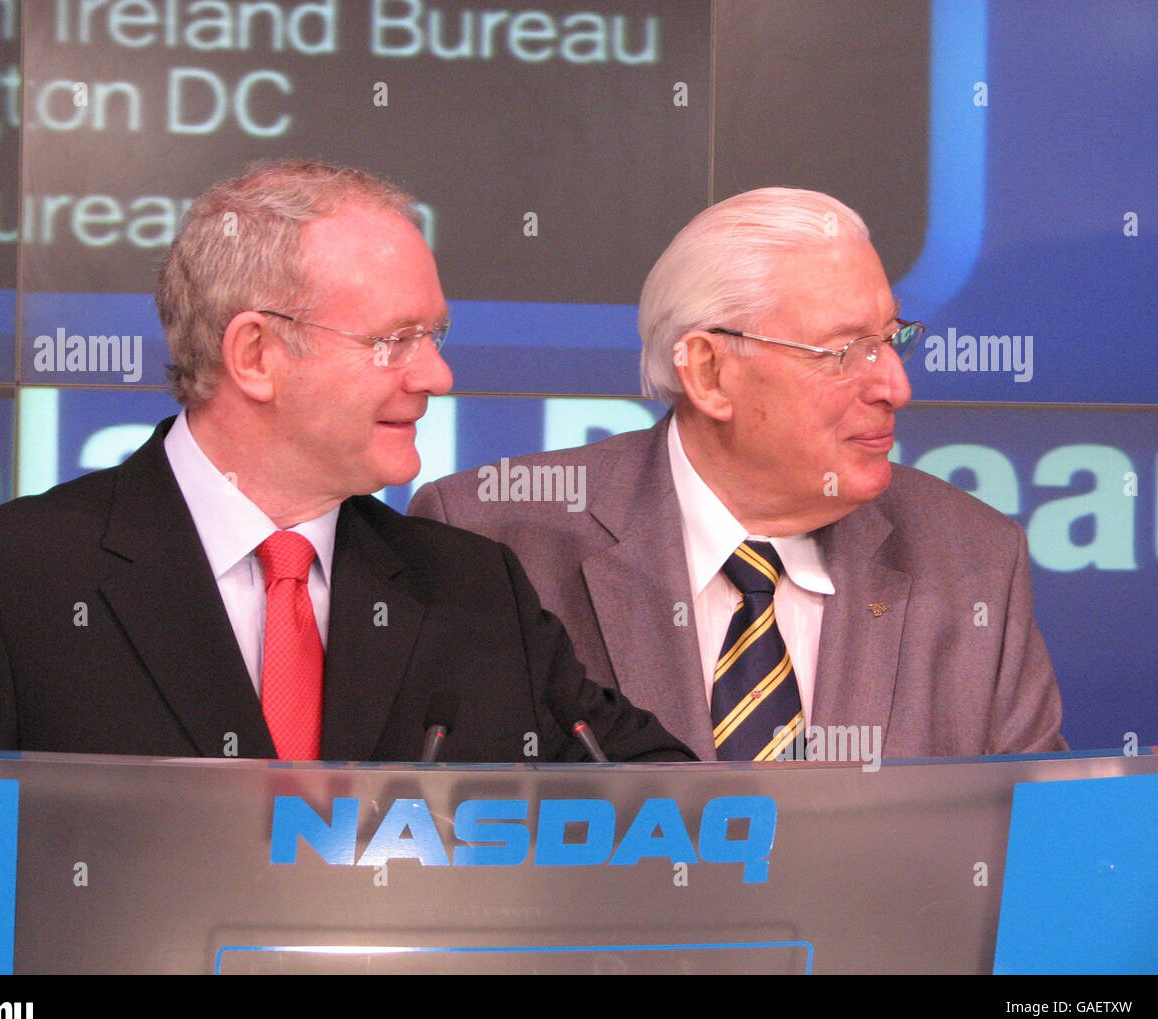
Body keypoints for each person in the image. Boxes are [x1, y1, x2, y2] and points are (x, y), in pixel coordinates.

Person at [0, 161, 691, 764]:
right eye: (392, 340)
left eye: (432, 336)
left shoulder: (476, 590)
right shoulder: (4, 585)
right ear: (257, 354)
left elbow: (673, 807)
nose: (435, 375)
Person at [411, 188, 1066, 761]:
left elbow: (1040, 857)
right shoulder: (491, 540)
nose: (895, 385)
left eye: (891, 340)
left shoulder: (973, 558)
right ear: (708, 373)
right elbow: (425, 839)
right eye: (845, 352)